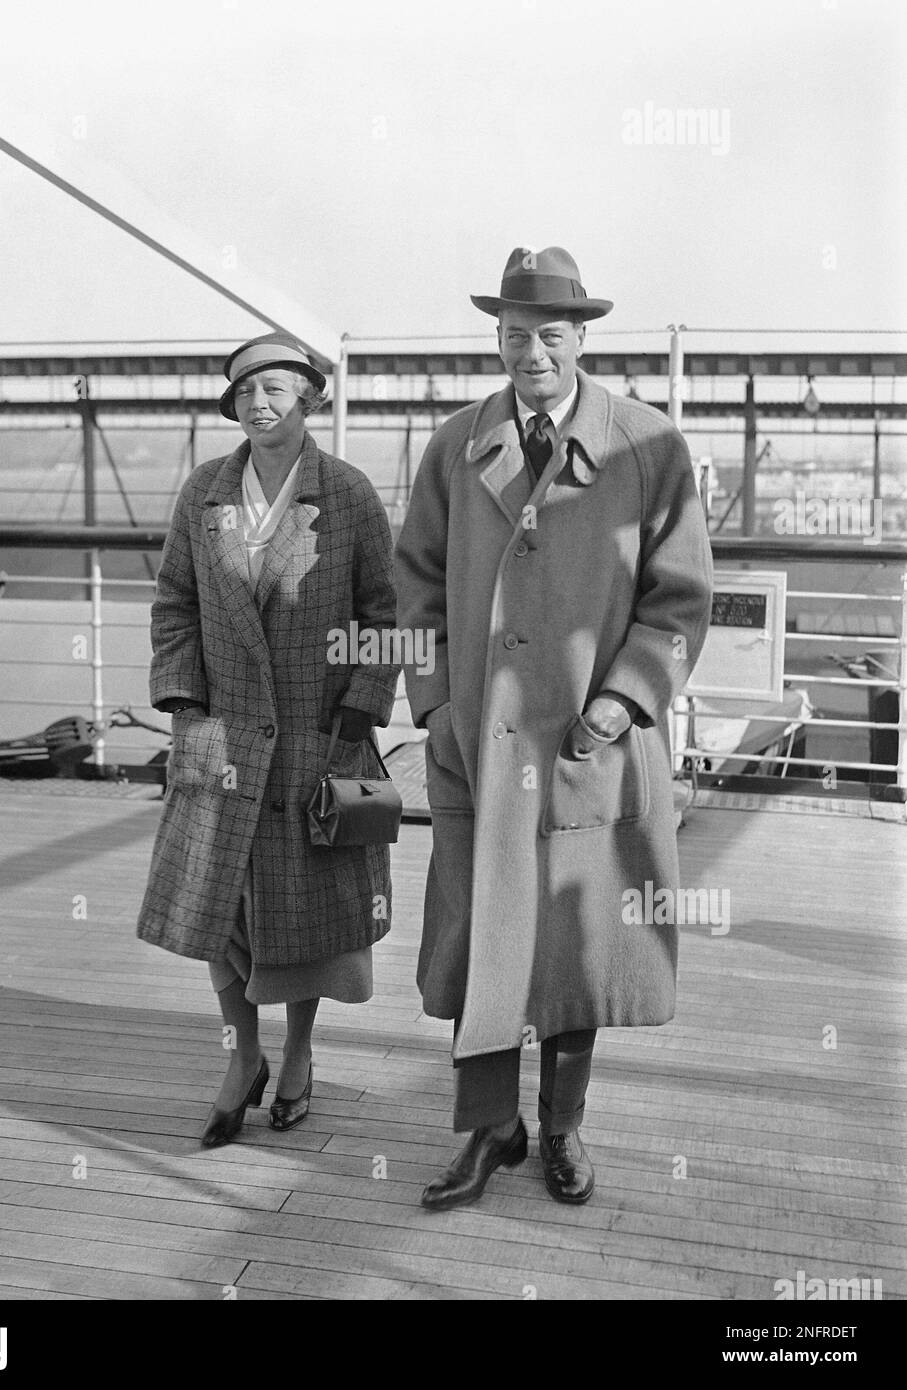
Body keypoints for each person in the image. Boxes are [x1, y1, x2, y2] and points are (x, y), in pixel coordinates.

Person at [394, 246, 713, 1210]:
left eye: (548, 336)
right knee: (480, 943)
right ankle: (491, 1132)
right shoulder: (454, 445)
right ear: (497, 338)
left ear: (581, 339)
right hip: (478, 747)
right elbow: (411, 586)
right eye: (513, 335)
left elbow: (682, 595)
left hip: (589, 742)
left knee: (578, 950)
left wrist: (623, 699)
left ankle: (564, 1132)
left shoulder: (648, 445)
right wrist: (437, 707)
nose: (530, 352)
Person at [137, 330, 399, 1146]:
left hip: (314, 736)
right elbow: (175, 601)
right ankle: (241, 1052)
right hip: (218, 735)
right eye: (246, 392)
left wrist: (360, 703)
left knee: (303, 910)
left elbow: (386, 616)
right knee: (220, 908)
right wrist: (180, 697)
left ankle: (298, 1052)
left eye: (276, 390)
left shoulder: (348, 494)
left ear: (308, 400)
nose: (259, 404)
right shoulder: (204, 493)